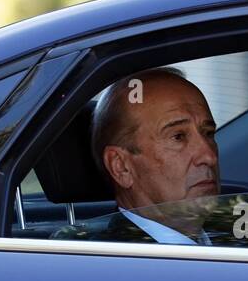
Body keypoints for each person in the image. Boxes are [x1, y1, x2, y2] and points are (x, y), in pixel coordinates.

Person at [83, 67, 222, 245]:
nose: (209, 156)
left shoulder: (244, 237)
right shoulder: (110, 267)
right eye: (178, 137)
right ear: (121, 167)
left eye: (208, 133)